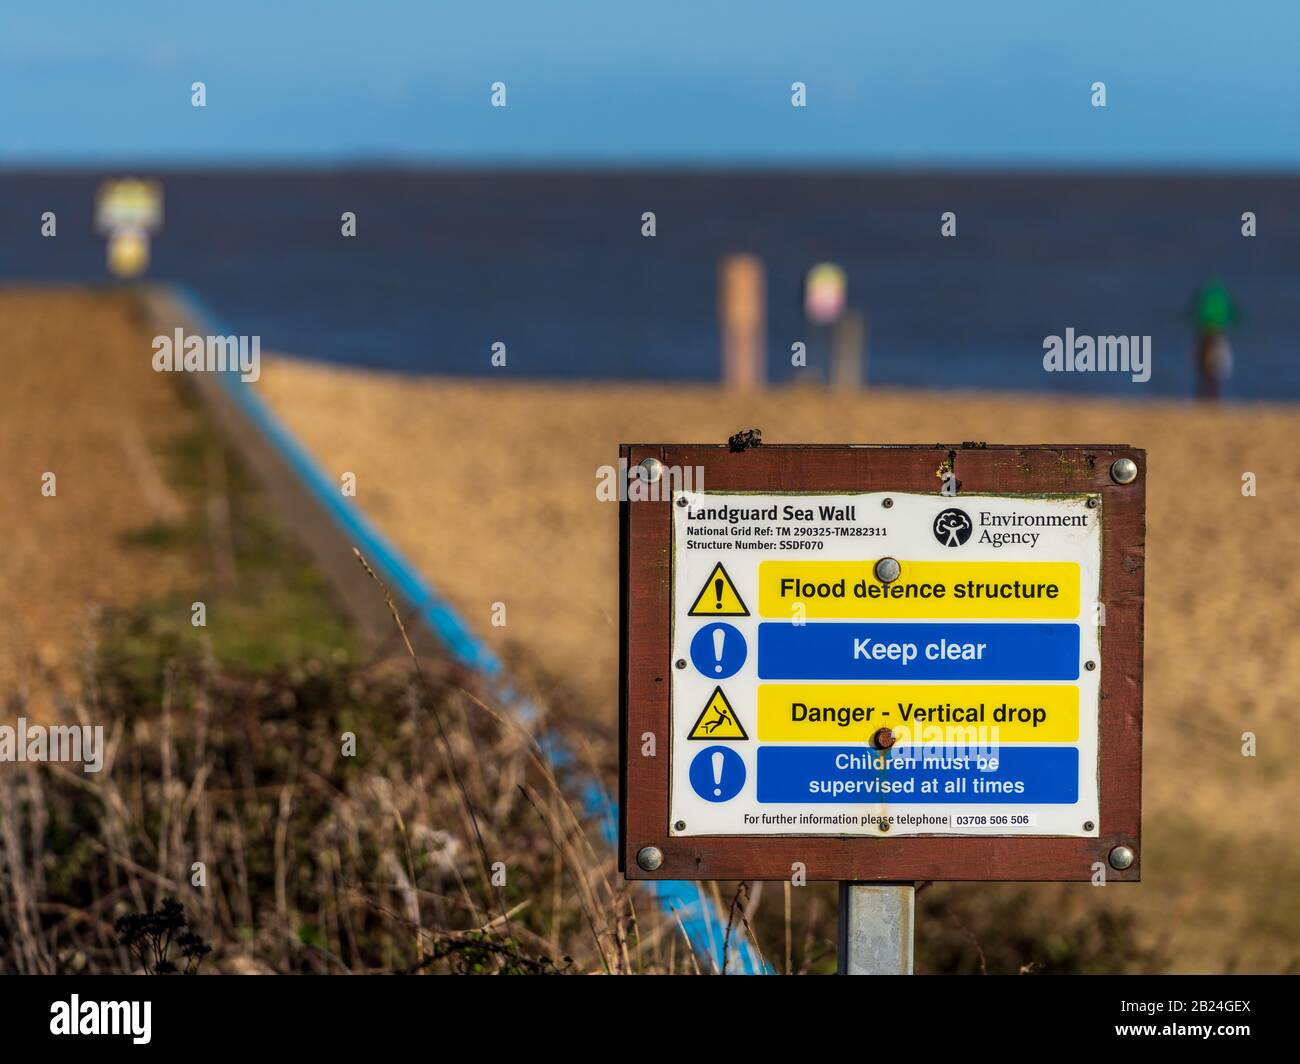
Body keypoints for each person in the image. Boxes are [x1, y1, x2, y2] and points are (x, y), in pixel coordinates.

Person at [1189, 278, 1238, 400]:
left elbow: (1193, 313)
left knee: (1204, 370)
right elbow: (1233, 314)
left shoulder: (1205, 298)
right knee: (1215, 370)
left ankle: (1204, 396)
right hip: (1217, 335)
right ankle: (1213, 396)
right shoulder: (1221, 298)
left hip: (1205, 335)